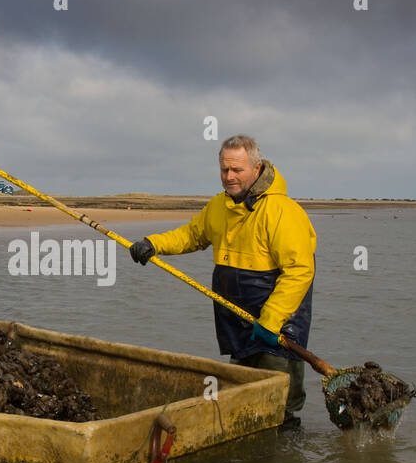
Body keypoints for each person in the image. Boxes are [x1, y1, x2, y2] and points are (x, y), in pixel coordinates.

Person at [128, 135, 317, 426]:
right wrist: (153, 244)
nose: (229, 177)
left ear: (256, 168)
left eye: (237, 170)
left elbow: (299, 272)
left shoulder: (283, 212)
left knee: (282, 407)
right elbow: (191, 236)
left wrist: (271, 321)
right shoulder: (219, 206)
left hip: (279, 325)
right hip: (237, 322)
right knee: (239, 396)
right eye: (224, 170)